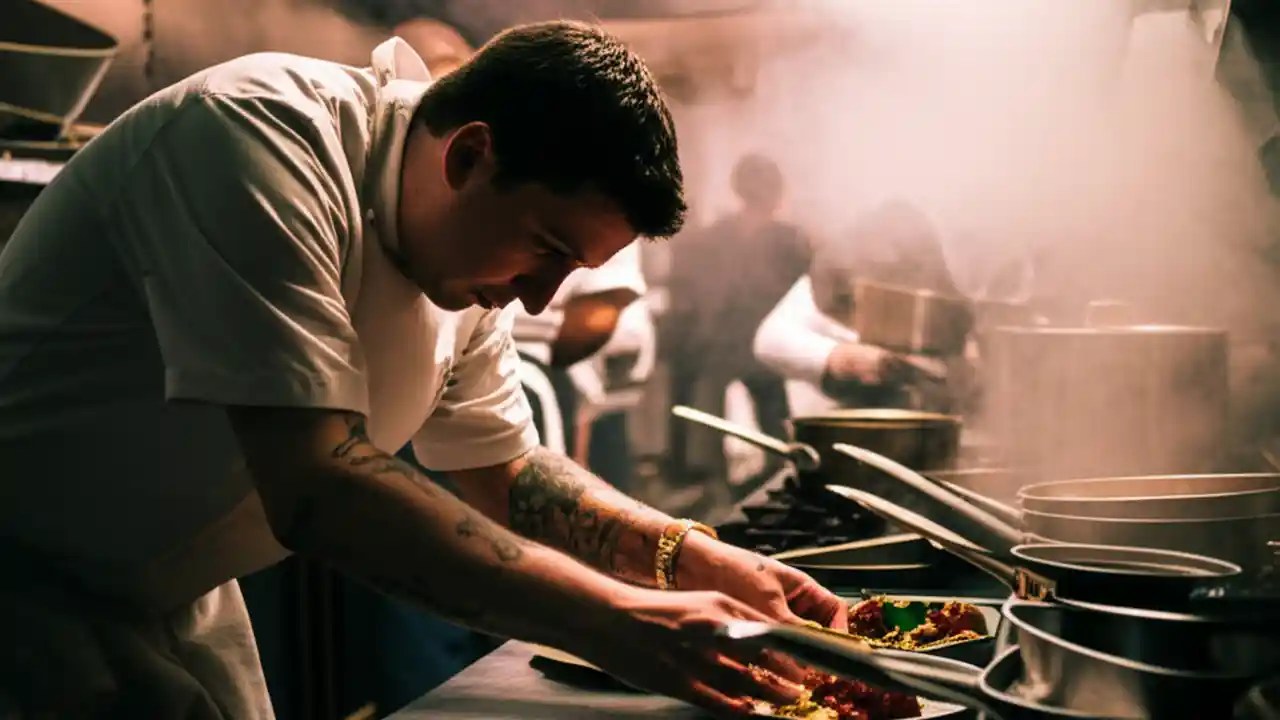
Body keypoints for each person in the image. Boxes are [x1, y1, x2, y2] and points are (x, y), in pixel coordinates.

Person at [0, 21, 846, 720]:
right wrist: (619, 619)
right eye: (547, 250)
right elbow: (318, 484)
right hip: (28, 582)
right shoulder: (255, 137)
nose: (537, 298)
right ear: (470, 155)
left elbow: (507, 472)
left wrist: (691, 557)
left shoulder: (461, 258)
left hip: (172, 590)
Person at [666, 154, 812, 499]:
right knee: (768, 424)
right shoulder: (788, 238)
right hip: (757, 345)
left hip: (727, 342)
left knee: (721, 423)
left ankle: (727, 488)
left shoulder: (720, 235)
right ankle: (773, 487)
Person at [753, 199, 964, 415]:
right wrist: (841, 357)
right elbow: (769, 339)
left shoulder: (940, 297)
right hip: (836, 423)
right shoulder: (834, 278)